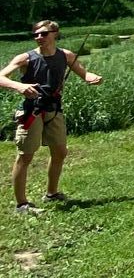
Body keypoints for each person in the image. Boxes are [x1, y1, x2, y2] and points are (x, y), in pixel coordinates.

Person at [2, 20, 102, 214]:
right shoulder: (26, 58)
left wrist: (91, 77)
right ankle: (21, 204)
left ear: (55, 33)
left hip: (55, 109)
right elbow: (1, 76)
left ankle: (52, 193)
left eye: (44, 33)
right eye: (36, 35)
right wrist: (19, 86)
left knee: (60, 152)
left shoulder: (65, 56)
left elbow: (83, 73)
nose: (39, 37)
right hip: (32, 110)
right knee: (25, 156)